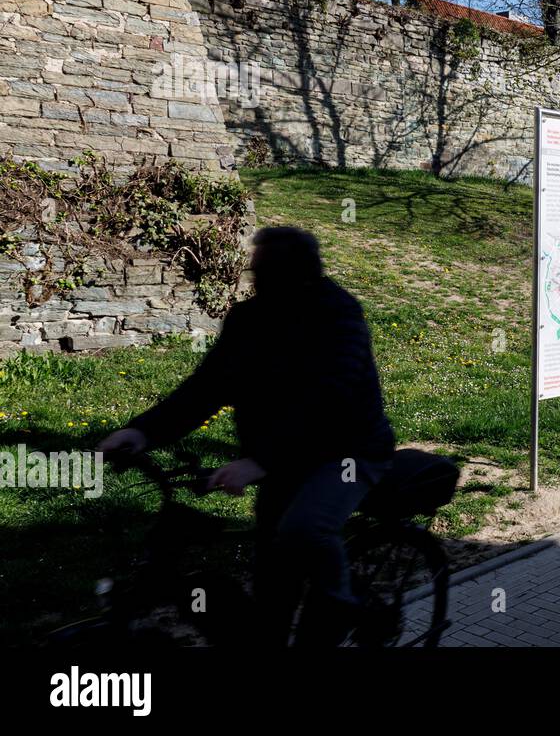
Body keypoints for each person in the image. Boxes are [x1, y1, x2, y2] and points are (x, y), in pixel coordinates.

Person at [98, 226, 395, 645]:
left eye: (267, 271)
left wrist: (261, 461)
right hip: (283, 462)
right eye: (256, 270)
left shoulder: (337, 313)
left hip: (347, 454)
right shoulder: (250, 319)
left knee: (305, 530)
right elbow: (208, 386)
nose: (256, 279)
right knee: (272, 586)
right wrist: (142, 431)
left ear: (300, 271)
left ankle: (339, 605)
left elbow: (330, 399)